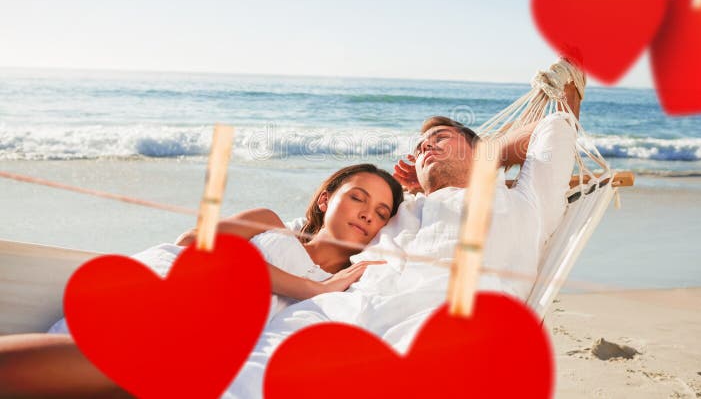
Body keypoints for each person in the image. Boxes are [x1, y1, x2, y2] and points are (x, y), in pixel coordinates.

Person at [223, 58, 585, 398]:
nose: (426, 145)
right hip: (334, 316)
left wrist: (484, 159)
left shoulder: (524, 201)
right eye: (422, 146)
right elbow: (332, 227)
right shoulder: (397, 211)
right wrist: (421, 186)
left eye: (441, 138)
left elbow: (555, 126)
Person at [0, 163, 404, 398]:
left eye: (382, 212)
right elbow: (193, 241)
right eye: (358, 197)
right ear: (326, 199)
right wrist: (309, 288)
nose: (368, 214)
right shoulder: (270, 223)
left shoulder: (352, 284)